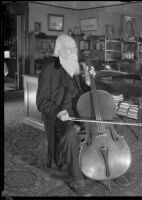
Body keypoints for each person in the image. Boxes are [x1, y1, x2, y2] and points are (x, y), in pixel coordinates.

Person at [36, 34, 95, 196]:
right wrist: (58, 112)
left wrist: (89, 82)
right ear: (58, 51)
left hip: (78, 112)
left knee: (100, 123)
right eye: (69, 48)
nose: (74, 51)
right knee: (69, 133)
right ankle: (77, 179)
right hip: (59, 116)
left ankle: (94, 162)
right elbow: (41, 102)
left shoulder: (74, 67)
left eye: (75, 48)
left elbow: (83, 93)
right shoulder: (48, 71)